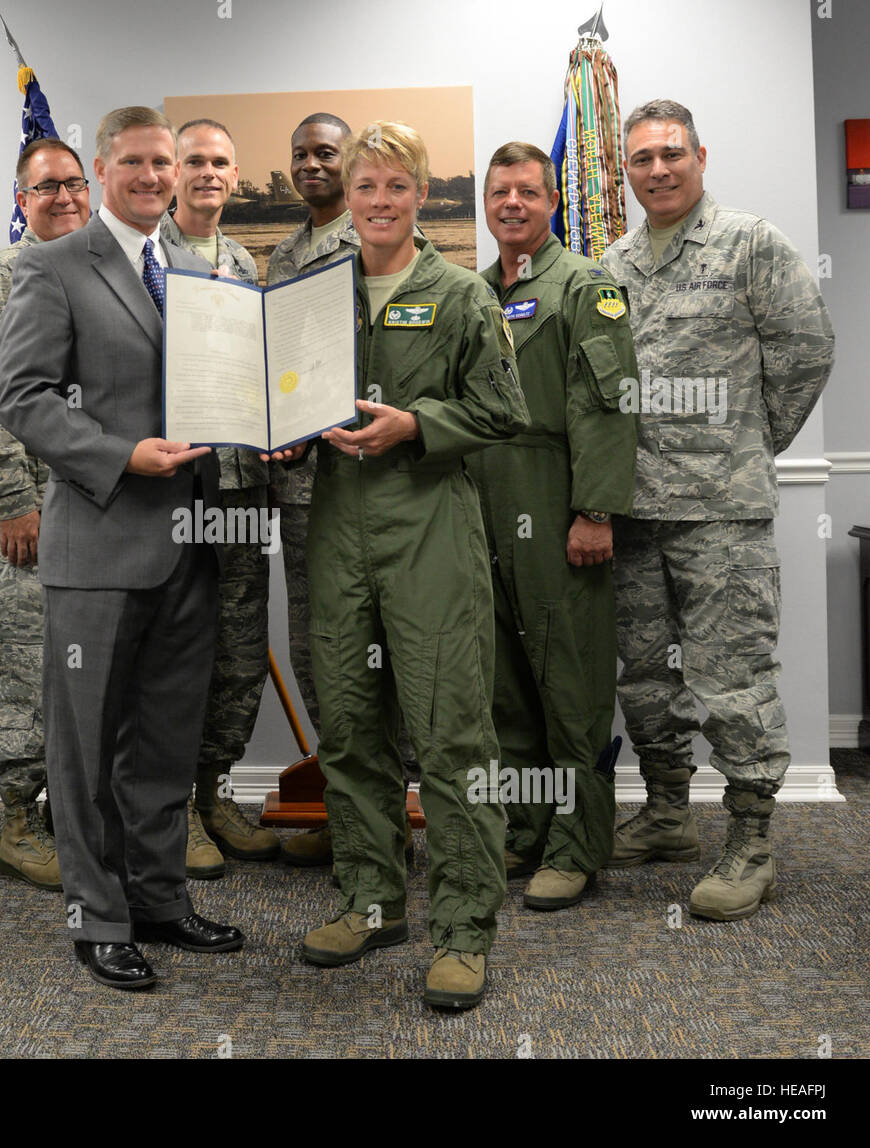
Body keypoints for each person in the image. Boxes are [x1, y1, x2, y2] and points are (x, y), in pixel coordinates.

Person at [0, 106, 244, 991]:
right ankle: (97, 918)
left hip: (192, 542)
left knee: (168, 743)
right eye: (134, 162)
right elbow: (20, 398)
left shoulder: (191, 266)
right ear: (103, 170)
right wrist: (118, 454)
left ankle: (159, 900)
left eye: (163, 164)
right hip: (99, 543)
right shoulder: (52, 264)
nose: (151, 177)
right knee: (87, 749)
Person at [285, 122, 529, 1009]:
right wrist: (281, 441)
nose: (379, 202)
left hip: (429, 528)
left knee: (452, 733)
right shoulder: (318, 294)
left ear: (422, 195)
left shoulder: (461, 293)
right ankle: (373, 899)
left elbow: (505, 412)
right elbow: (286, 396)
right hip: (338, 527)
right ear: (345, 198)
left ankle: (464, 929)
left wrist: (420, 424)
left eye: (396, 186)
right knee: (349, 725)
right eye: (364, 187)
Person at [601, 100, 834, 920]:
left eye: (671, 154)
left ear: (700, 155)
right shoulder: (614, 262)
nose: (657, 170)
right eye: (641, 160)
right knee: (644, 676)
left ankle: (751, 841)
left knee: (733, 677)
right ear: (624, 171)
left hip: (721, 510)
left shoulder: (749, 243)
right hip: (632, 511)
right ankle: (668, 813)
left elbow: (806, 353)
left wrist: (747, 442)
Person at [472, 142, 638, 910]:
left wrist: (594, 510)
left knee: (570, 684)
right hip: (483, 505)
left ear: (551, 203)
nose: (512, 204)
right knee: (506, 685)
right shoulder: (475, 292)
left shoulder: (586, 287)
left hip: (557, 494)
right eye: (500, 192)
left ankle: (576, 844)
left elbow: (607, 406)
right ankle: (528, 827)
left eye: (528, 193)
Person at [0, 138, 92, 891]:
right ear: (21, 200)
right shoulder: (1, 276)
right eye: (46, 188)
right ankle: (19, 816)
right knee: (27, 664)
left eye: (74, 184)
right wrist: (12, 501)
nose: (63, 198)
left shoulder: (116, 271)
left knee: (94, 669)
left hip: (106, 509)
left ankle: (81, 812)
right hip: (30, 514)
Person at [158, 118, 281, 877]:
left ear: (237, 176)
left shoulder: (242, 260)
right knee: (176, 654)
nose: (208, 173)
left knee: (239, 654)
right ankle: (172, 809)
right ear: (172, 171)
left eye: (220, 162)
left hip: (240, 485)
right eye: (194, 160)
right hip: (171, 489)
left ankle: (214, 792)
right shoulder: (144, 256)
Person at [267, 113, 359, 868]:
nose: (311, 165)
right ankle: (345, 806)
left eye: (325, 152)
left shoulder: (380, 238)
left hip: (368, 482)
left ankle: (379, 813)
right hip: (300, 487)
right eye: (300, 155)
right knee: (315, 651)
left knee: (375, 653)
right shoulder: (285, 254)